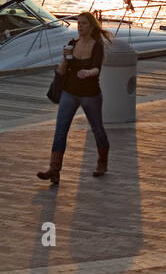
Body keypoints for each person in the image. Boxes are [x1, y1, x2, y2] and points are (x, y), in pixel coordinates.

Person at [36, 12, 111, 185]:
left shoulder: (97, 46)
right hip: (69, 92)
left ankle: (102, 162)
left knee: (97, 129)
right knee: (60, 130)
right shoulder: (72, 44)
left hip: (90, 94)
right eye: (79, 23)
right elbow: (62, 71)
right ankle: (54, 170)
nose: (80, 26)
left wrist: (87, 73)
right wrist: (64, 58)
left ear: (91, 26)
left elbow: (97, 69)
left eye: (84, 24)